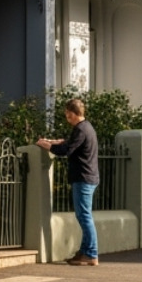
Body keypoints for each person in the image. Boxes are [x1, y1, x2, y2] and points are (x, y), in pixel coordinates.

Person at [37, 98, 100, 266]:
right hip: (89, 177)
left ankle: (91, 253)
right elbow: (72, 144)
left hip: (83, 177)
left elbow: (67, 150)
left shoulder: (80, 129)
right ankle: (85, 252)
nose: (67, 118)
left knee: (84, 216)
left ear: (75, 113)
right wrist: (56, 141)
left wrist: (47, 146)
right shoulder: (86, 127)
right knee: (84, 216)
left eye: (68, 115)